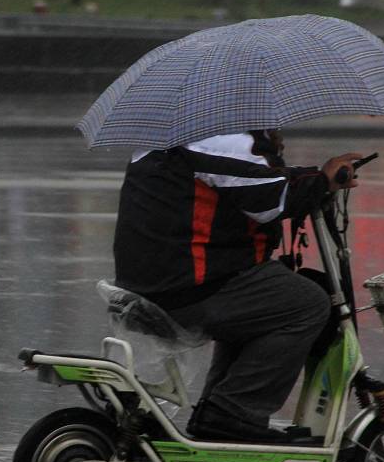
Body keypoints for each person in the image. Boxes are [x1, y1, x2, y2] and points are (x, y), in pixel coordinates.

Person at [112, 129, 360, 443]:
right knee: (308, 304)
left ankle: (218, 411)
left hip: (155, 280)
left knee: (261, 297)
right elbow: (269, 199)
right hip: (190, 284)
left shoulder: (164, 141)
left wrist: (313, 176)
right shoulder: (227, 142)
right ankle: (232, 413)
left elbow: (252, 179)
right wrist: (323, 181)